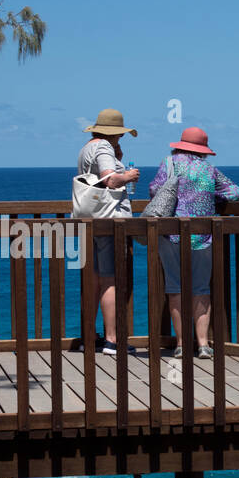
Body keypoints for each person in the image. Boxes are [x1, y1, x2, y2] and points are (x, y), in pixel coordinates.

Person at [148, 127, 239, 358]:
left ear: (180, 144)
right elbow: (235, 192)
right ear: (203, 149)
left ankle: (180, 344)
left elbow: (154, 190)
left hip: (171, 233)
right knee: (200, 288)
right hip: (202, 234)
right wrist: (212, 197)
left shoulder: (169, 163)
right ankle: (202, 345)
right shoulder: (208, 169)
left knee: (175, 287)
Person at [77, 109, 140, 355]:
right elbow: (110, 181)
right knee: (109, 279)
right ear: (113, 133)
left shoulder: (87, 148)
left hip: (90, 219)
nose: (120, 140)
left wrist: (118, 157)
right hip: (108, 220)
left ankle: (89, 337)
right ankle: (112, 339)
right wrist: (128, 175)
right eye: (120, 136)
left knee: (93, 281)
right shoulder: (104, 147)